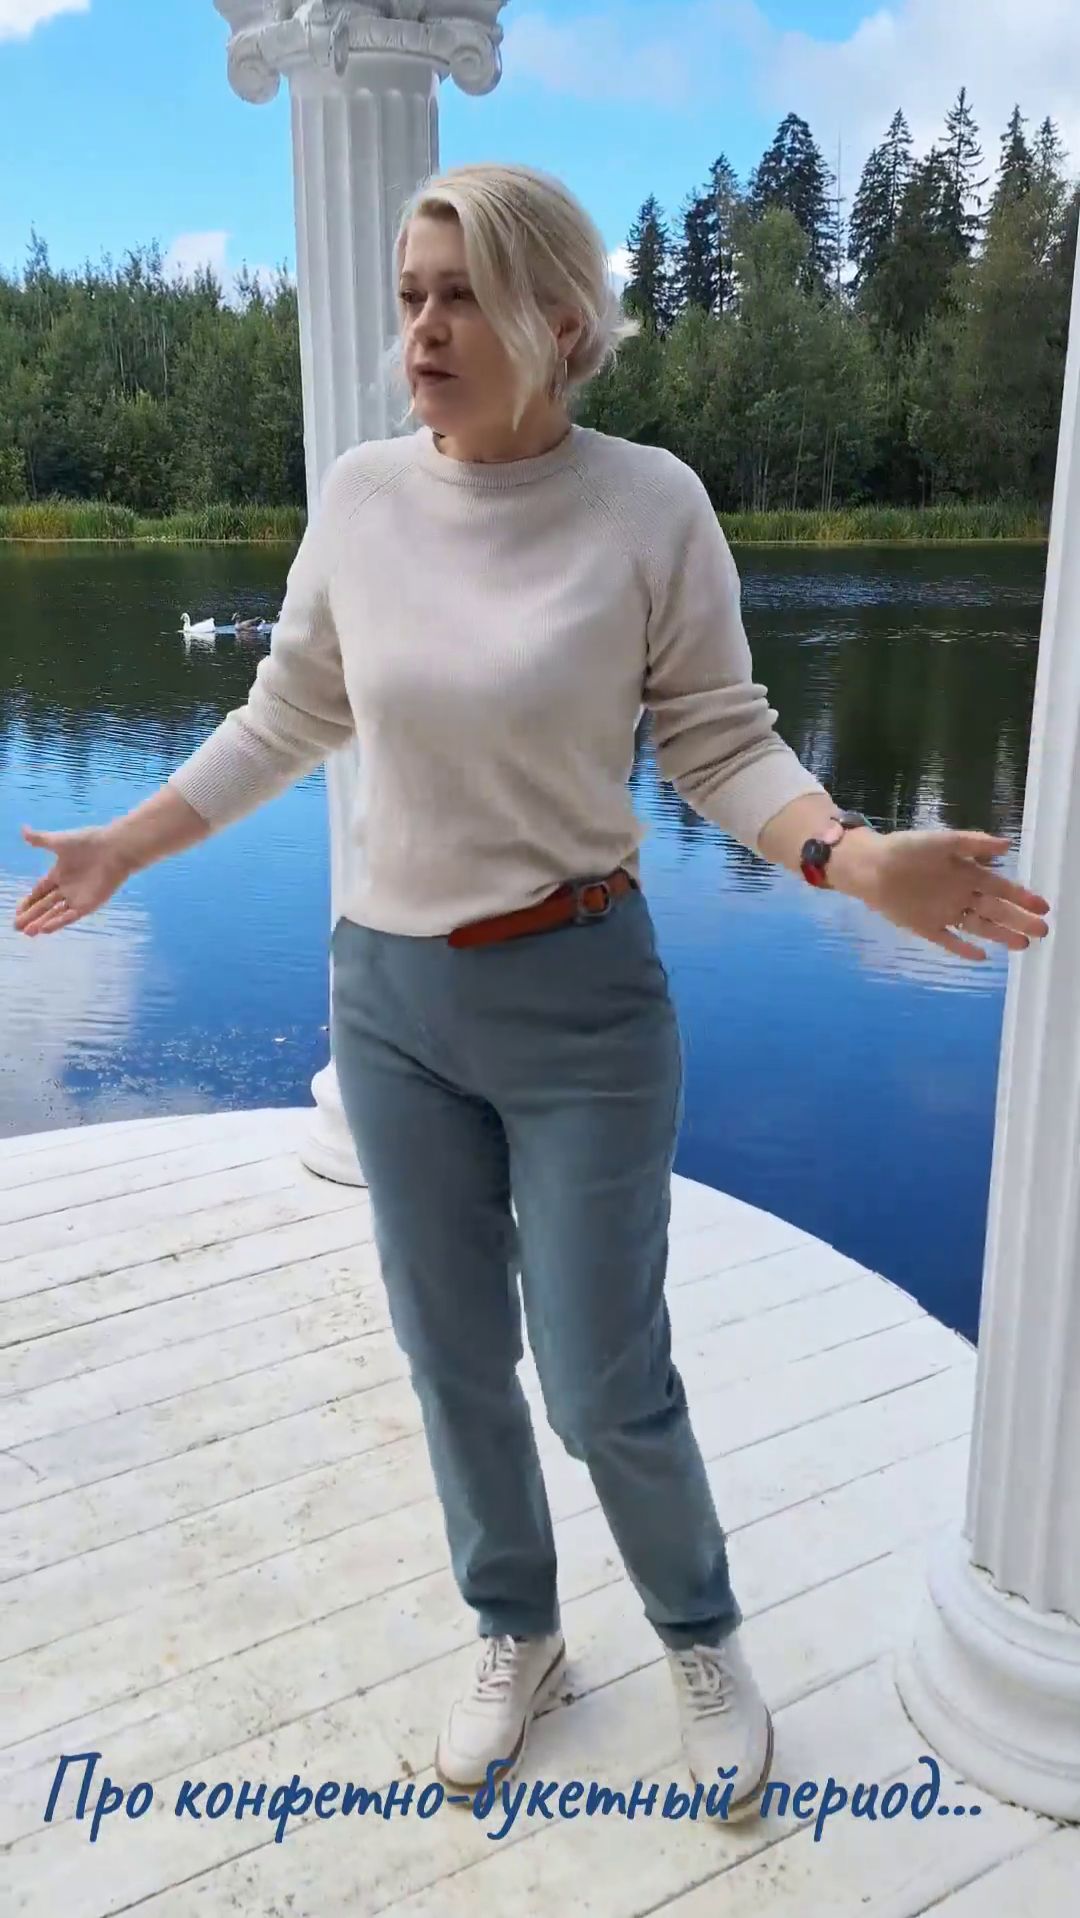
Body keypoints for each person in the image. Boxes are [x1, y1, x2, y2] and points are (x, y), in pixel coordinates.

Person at [13, 163, 1051, 1817]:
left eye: (460, 296)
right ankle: (519, 1626)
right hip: (390, 999)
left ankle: (700, 1633)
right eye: (409, 295)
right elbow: (288, 712)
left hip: (583, 1004)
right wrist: (129, 844)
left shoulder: (651, 506)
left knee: (599, 1371)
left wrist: (851, 857)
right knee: (450, 1354)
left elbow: (719, 738)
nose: (422, 329)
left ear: (560, 325)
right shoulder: (363, 498)